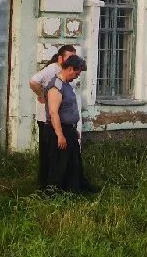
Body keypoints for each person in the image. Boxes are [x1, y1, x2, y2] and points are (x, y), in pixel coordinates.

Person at [45, 55, 98, 194]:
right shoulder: (56, 86)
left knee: (74, 162)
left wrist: (74, 129)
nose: (76, 77)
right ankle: (53, 192)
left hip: (69, 130)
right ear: (69, 69)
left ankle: (75, 189)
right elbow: (53, 112)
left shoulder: (67, 85)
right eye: (76, 73)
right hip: (59, 130)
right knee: (59, 163)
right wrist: (60, 135)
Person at [29, 45, 77, 189]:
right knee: (48, 154)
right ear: (60, 58)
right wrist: (41, 96)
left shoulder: (66, 71)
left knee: (57, 155)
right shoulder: (52, 69)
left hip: (58, 120)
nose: (72, 60)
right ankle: (46, 184)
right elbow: (33, 81)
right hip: (47, 120)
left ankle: (57, 184)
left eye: (74, 57)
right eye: (70, 57)